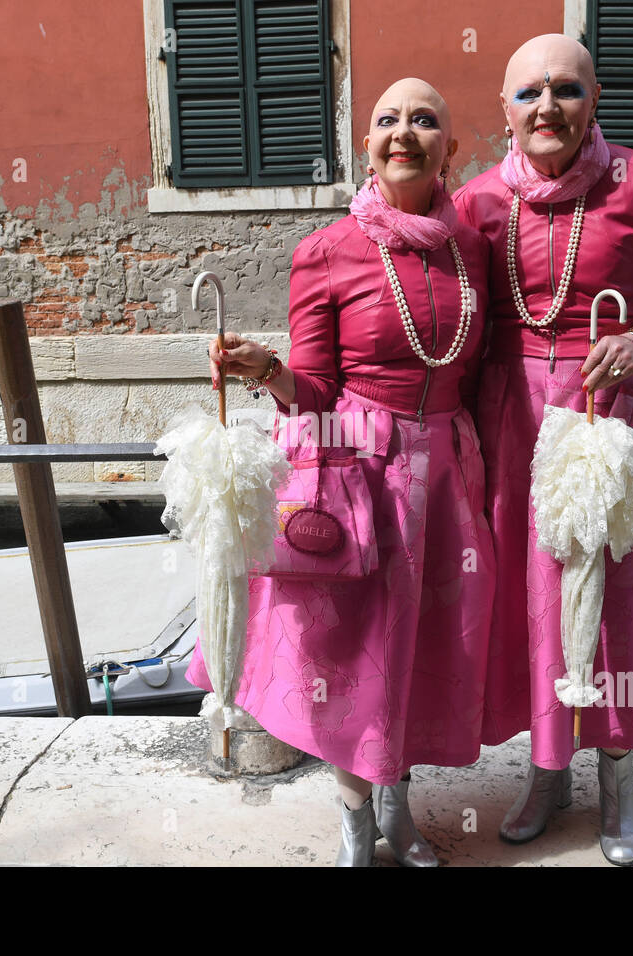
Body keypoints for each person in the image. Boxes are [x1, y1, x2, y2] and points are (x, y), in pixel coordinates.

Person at [186, 78, 501, 867]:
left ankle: (399, 813)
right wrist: (268, 369)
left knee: (428, 651)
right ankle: (357, 828)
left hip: (449, 475)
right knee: (357, 659)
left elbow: (483, 367)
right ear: (367, 145)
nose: (405, 132)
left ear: (448, 149)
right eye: (387, 120)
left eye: (425, 119)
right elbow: (317, 393)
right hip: (363, 470)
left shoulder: (472, 250)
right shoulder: (325, 252)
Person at [453, 34, 633, 866]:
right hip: (514, 426)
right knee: (530, 605)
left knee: (616, 607)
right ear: (505, 111)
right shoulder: (477, 202)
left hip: (609, 420)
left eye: (565, 90)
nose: (547, 108)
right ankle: (545, 771)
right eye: (527, 94)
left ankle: (620, 783)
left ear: (594, 97)